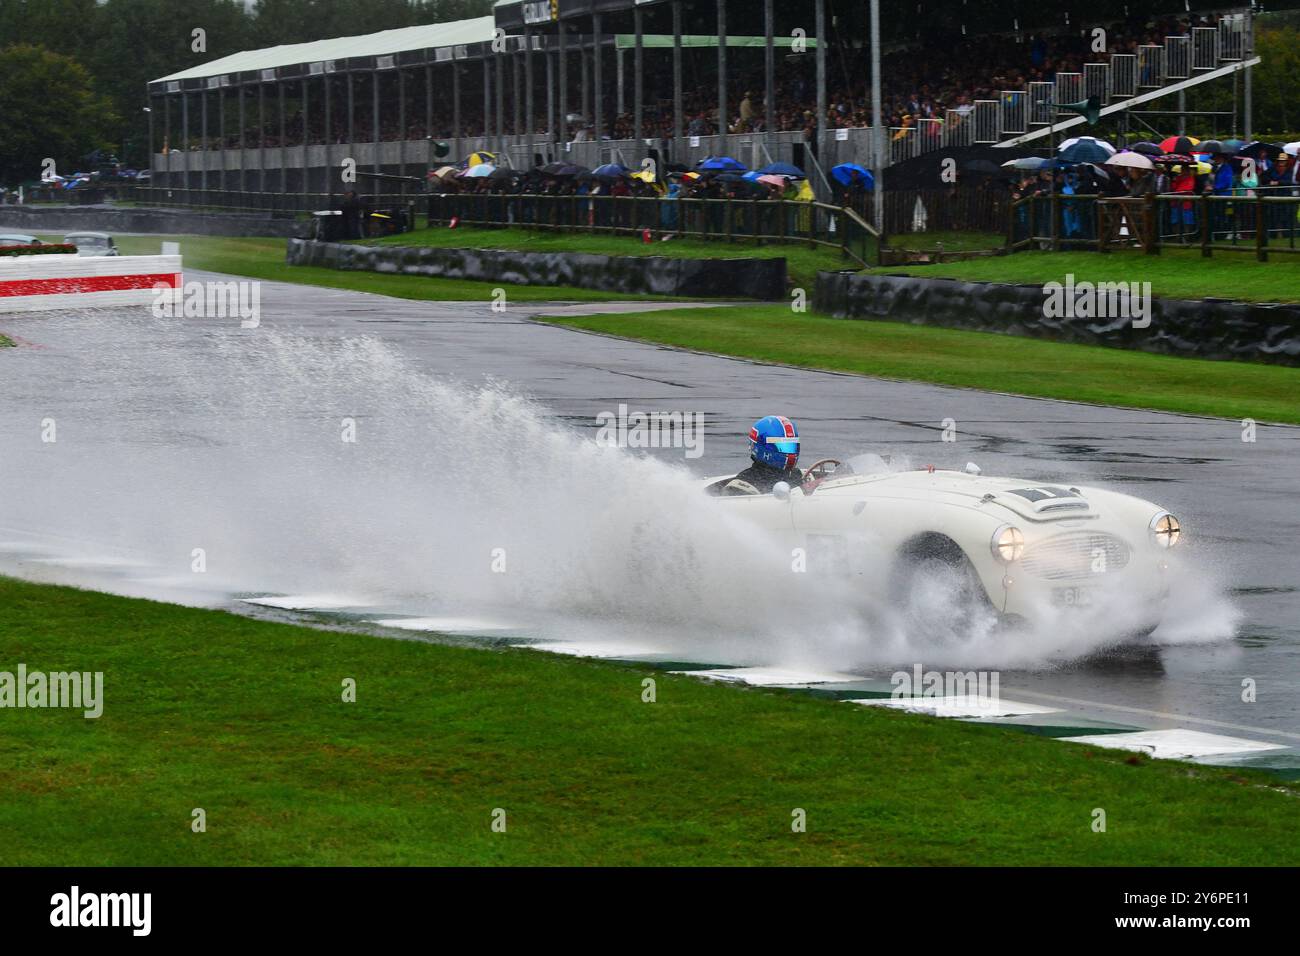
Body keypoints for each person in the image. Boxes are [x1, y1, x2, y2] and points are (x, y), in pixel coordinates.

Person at [719, 415, 804, 496]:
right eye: (784, 447)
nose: (791, 453)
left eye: (792, 447)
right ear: (762, 447)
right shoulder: (740, 486)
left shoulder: (797, 475)